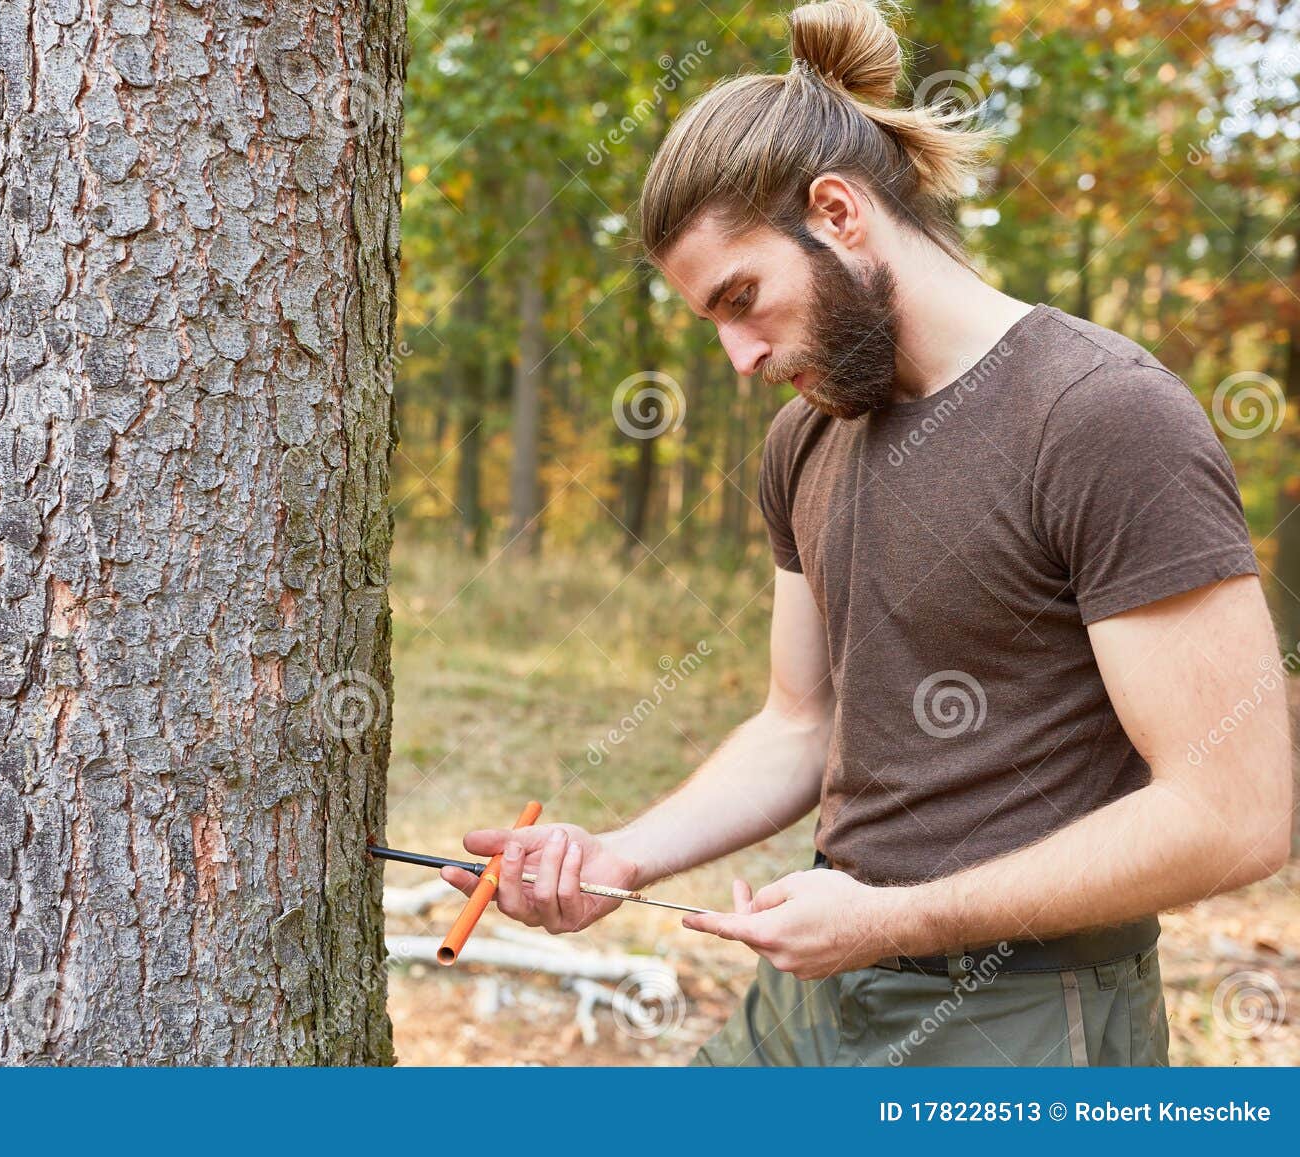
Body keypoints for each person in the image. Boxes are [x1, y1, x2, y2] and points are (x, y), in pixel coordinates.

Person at [441, 0, 1292, 1066]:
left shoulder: (1100, 416)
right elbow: (796, 724)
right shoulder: (808, 438)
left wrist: (894, 919)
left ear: (837, 213)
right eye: (713, 322)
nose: (739, 356)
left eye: (743, 297)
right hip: (814, 1000)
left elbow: (1236, 812)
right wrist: (616, 857)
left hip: (1020, 1018)